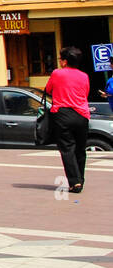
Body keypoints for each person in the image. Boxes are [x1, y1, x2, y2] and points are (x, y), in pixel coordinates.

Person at [44, 46, 92, 194]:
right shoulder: (84, 76)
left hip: (63, 114)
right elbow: (86, 93)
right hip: (82, 115)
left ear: (64, 61)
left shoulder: (57, 73)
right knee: (80, 149)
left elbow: (48, 90)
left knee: (67, 149)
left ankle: (74, 182)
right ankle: (80, 180)